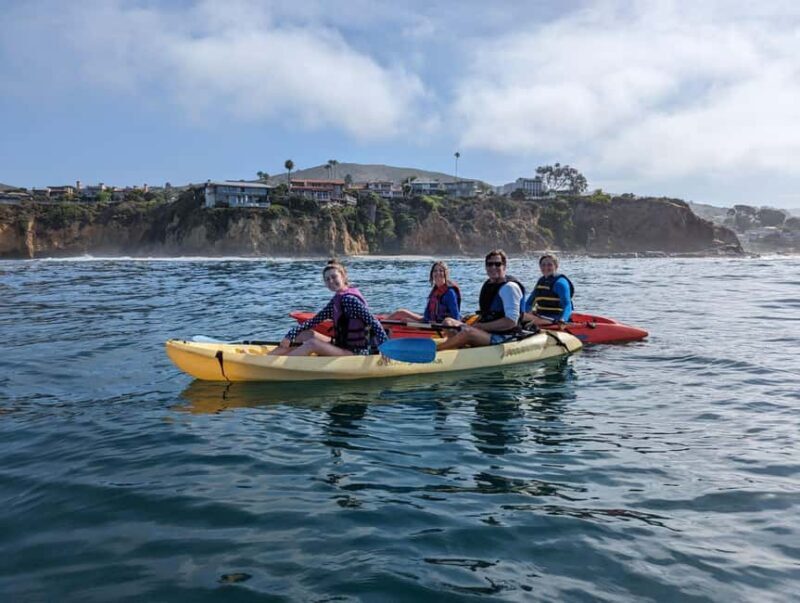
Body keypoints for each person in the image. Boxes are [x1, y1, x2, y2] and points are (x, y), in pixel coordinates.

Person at [269, 259, 387, 357]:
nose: (331, 281)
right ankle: (269, 358)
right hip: (340, 345)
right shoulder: (337, 300)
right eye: (327, 279)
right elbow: (313, 321)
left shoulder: (350, 300)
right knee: (302, 334)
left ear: (343, 276)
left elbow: (374, 322)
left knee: (312, 344)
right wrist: (290, 335)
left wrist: (386, 349)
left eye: (334, 277)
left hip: (356, 352)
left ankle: (276, 366)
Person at [436, 249, 525, 350]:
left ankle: (437, 351)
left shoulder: (509, 288)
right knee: (448, 322)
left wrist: (480, 327)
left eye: (497, 264)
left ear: (504, 266)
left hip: (505, 337)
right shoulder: (489, 285)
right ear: (486, 267)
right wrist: (473, 323)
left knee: (468, 332)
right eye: (490, 264)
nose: (493, 267)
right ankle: (458, 348)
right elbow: (486, 313)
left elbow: (511, 322)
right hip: (488, 333)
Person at [388, 261, 462, 323]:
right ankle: (380, 331)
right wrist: (419, 321)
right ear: (432, 274)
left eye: (441, 271)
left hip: (441, 326)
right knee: (400, 312)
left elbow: (456, 318)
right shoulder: (435, 291)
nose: (437, 273)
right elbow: (426, 315)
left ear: (446, 273)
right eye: (435, 271)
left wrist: (414, 322)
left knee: (406, 321)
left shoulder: (450, 293)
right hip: (428, 321)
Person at [522, 253, 574, 326]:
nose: (546, 267)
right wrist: (527, 312)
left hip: (555, 320)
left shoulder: (560, 283)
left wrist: (563, 320)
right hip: (541, 317)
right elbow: (529, 303)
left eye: (549, 265)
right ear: (540, 267)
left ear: (556, 266)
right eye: (543, 265)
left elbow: (567, 305)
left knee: (521, 318)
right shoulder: (541, 281)